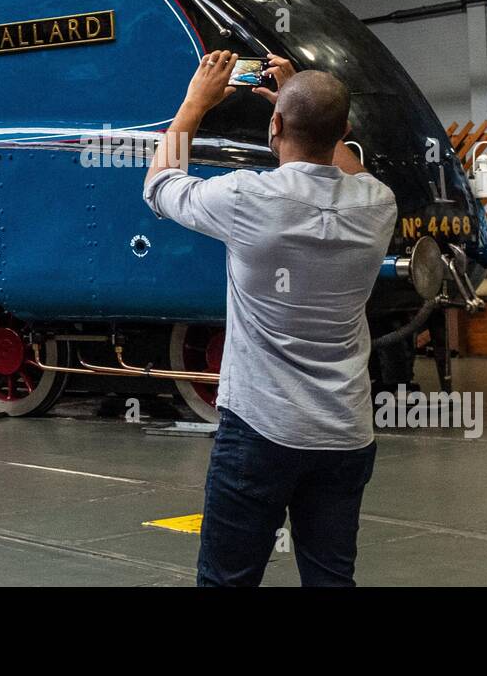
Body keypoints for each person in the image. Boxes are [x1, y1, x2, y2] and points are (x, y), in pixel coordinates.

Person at [143, 51, 397, 586]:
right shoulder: (378, 204)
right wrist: (298, 99)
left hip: (261, 429)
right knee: (332, 579)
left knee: (228, 580)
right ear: (345, 131)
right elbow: (345, 165)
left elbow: (160, 184)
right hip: (345, 434)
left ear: (275, 124)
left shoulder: (245, 197)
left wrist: (195, 103)